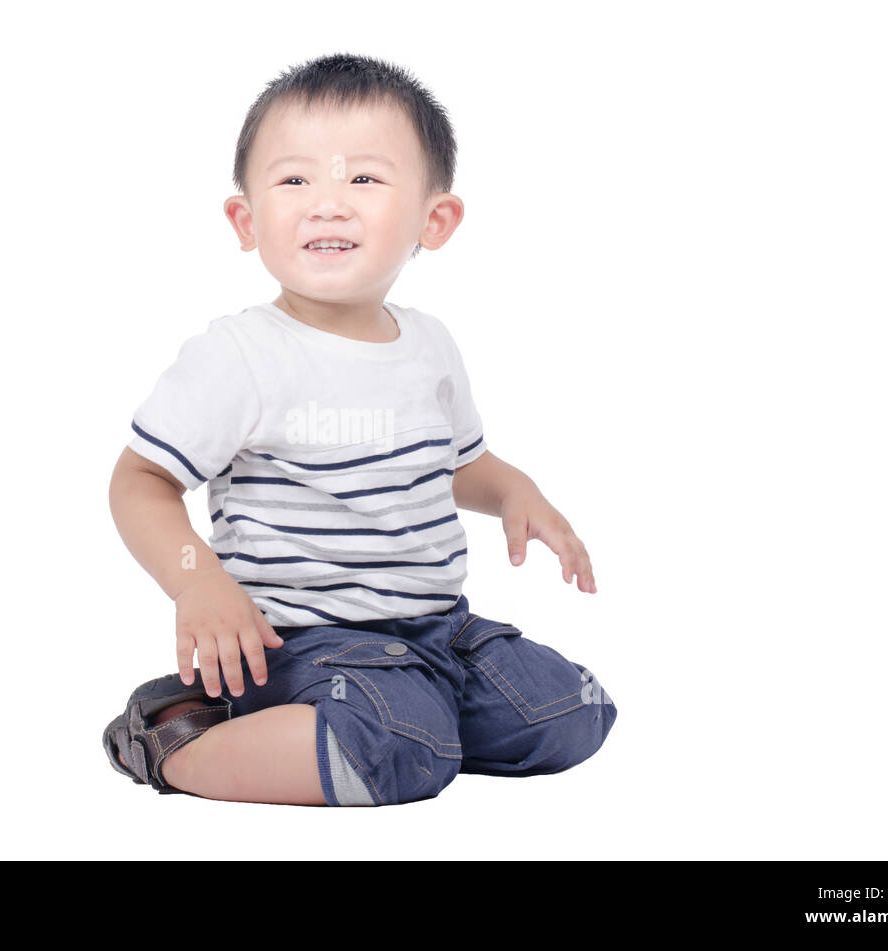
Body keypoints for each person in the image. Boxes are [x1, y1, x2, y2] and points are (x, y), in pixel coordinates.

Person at [102, 52, 616, 806]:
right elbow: (138, 481)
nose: (328, 204)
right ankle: (173, 742)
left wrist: (515, 490)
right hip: (298, 641)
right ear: (246, 220)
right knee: (395, 744)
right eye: (294, 179)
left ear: (432, 220)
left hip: (439, 631)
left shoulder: (430, 344)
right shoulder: (240, 355)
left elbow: (454, 462)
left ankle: (406, 722)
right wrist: (196, 578)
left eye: (364, 179)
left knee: (573, 711)